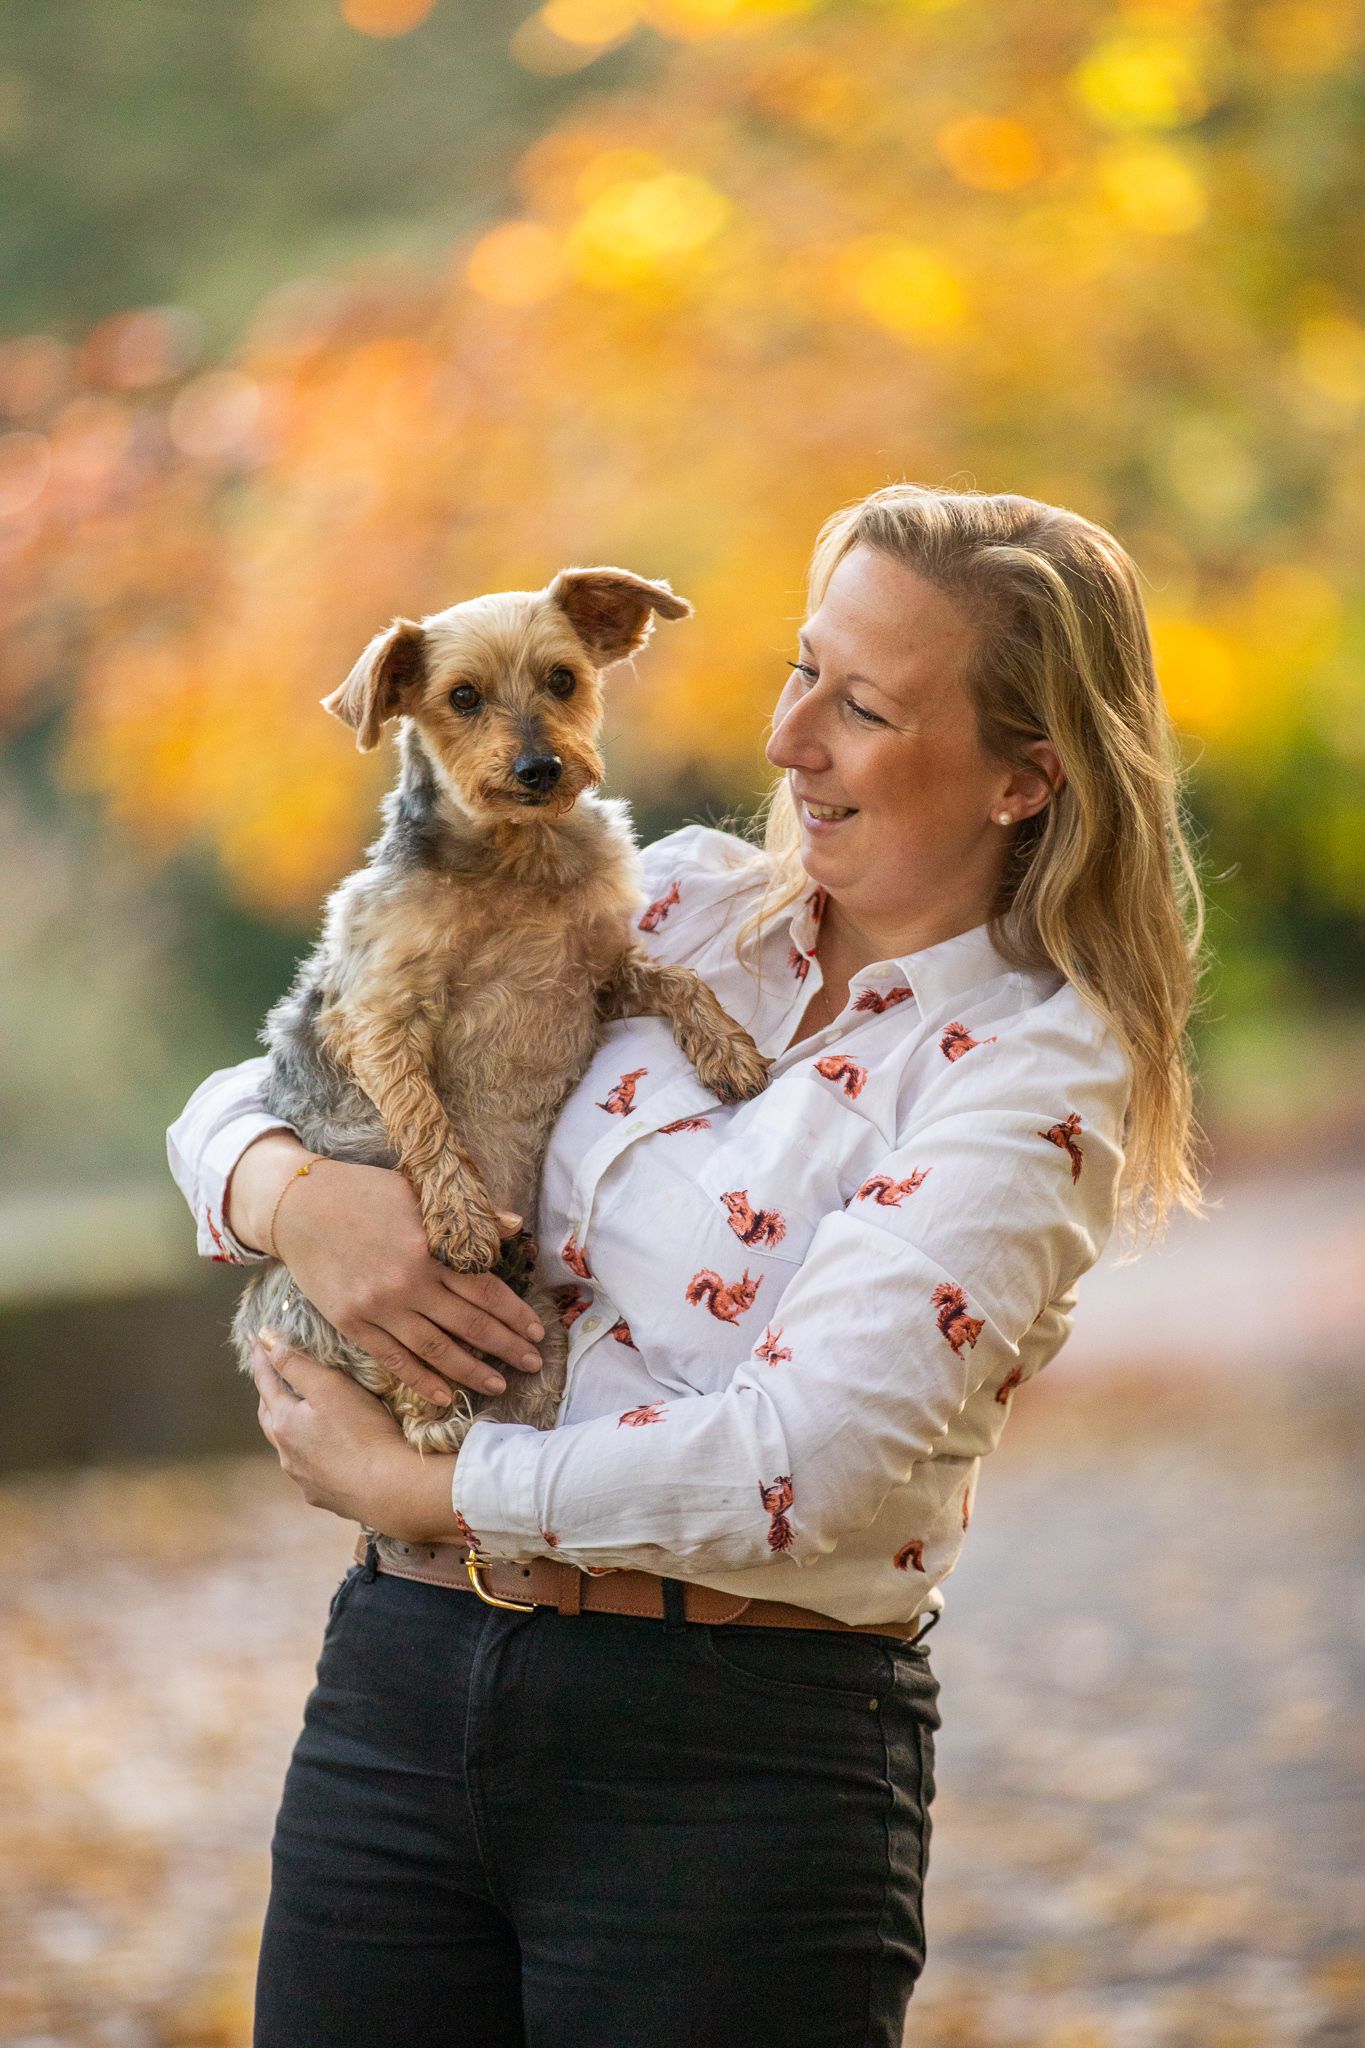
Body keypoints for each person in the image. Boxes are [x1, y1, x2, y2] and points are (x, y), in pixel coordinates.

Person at [167, 483, 1208, 2048]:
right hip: (400, 1684)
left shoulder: (1031, 1072)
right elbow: (249, 1089)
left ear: (1023, 777)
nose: (786, 741)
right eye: (801, 671)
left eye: (861, 708)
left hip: (728, 1761)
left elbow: (802, 1467)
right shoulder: (680, 898)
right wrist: (295, 1199)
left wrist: (421, 1489)